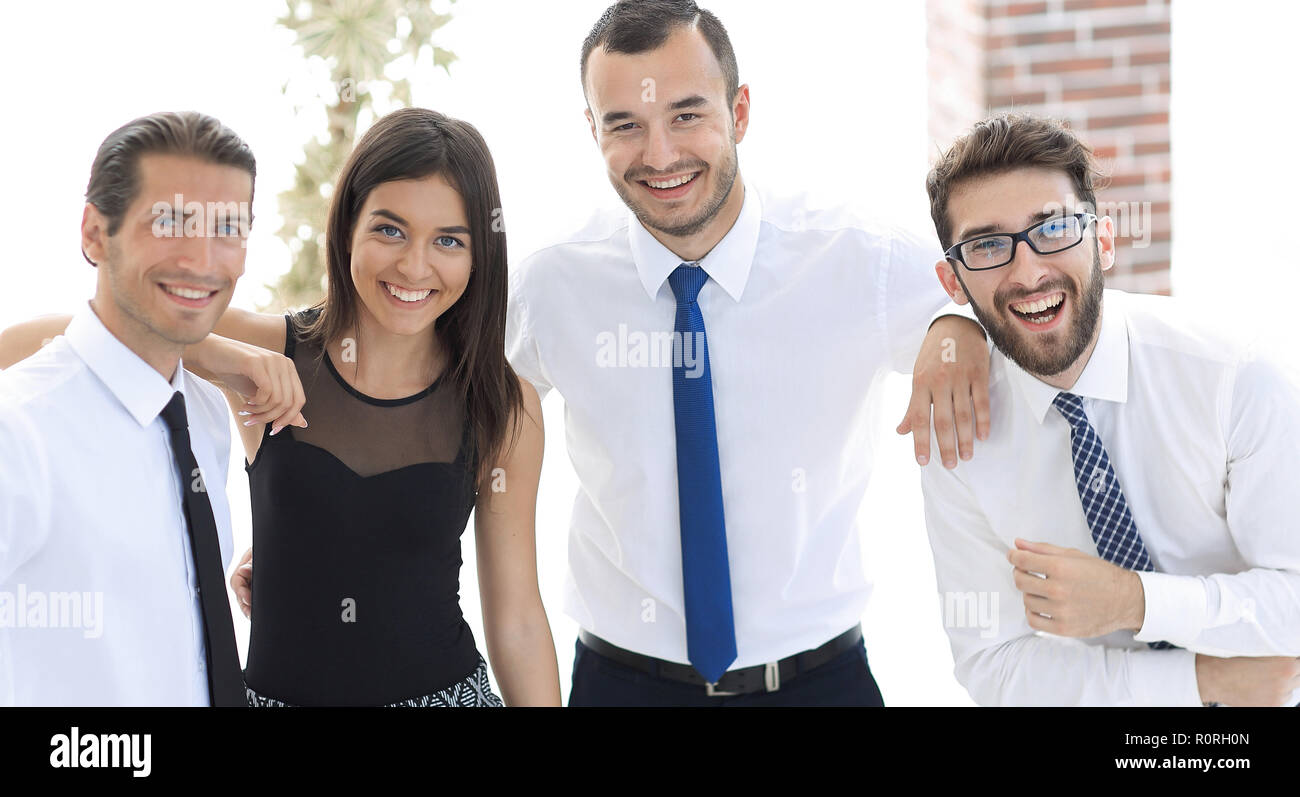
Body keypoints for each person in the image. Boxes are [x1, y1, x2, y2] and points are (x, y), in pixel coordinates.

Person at [503, 0, 991, 706]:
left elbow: (1006, 303)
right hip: (621, 685)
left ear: (740, 112)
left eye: (687, 115)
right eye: (625, 126)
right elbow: (432, 381)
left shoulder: (858, 258)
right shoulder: (553, 284)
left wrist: (958, 323)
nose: (660, 155)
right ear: (592, 131)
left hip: (819, 682)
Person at [0, 108, 561, 707]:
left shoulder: (502, 402)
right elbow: (42, 342)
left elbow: (518, 617)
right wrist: (219, 356)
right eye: (389, 230)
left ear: (479, 257)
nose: (414, 266)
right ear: (346, 227)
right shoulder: (267, 350)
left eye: (448, 240)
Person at [918, 113, 1300, 706]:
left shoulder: (1236, 376)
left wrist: (1135, 601)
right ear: (952, 281)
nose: (1028, 270)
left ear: (1103, 239)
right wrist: (1200, 684)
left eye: (1053, 229)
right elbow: (992, 664)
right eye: (988, 245)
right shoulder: (956, 428)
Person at [0, 111, 255, 705]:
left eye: (228, 227)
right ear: (94, 233)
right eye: (169, 221)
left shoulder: (208, 417)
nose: (202, 258)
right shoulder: (18, 432)